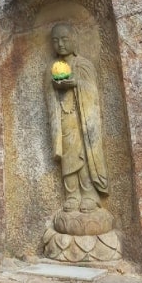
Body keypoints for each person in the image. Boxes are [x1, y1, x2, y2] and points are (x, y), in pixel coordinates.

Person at [46, 22, 108, 213]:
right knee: (68, 157)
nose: (61, 45)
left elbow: (91, 91)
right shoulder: (52, 68)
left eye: (65, 39)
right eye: (56, 41)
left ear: (73, 40)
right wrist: (55, 87)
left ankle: (89, 195)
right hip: (63, 119)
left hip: (82, 119)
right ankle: (71, 195)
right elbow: (48, 94)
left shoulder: (83, 64)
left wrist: (75, 84)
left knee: (84, 154)